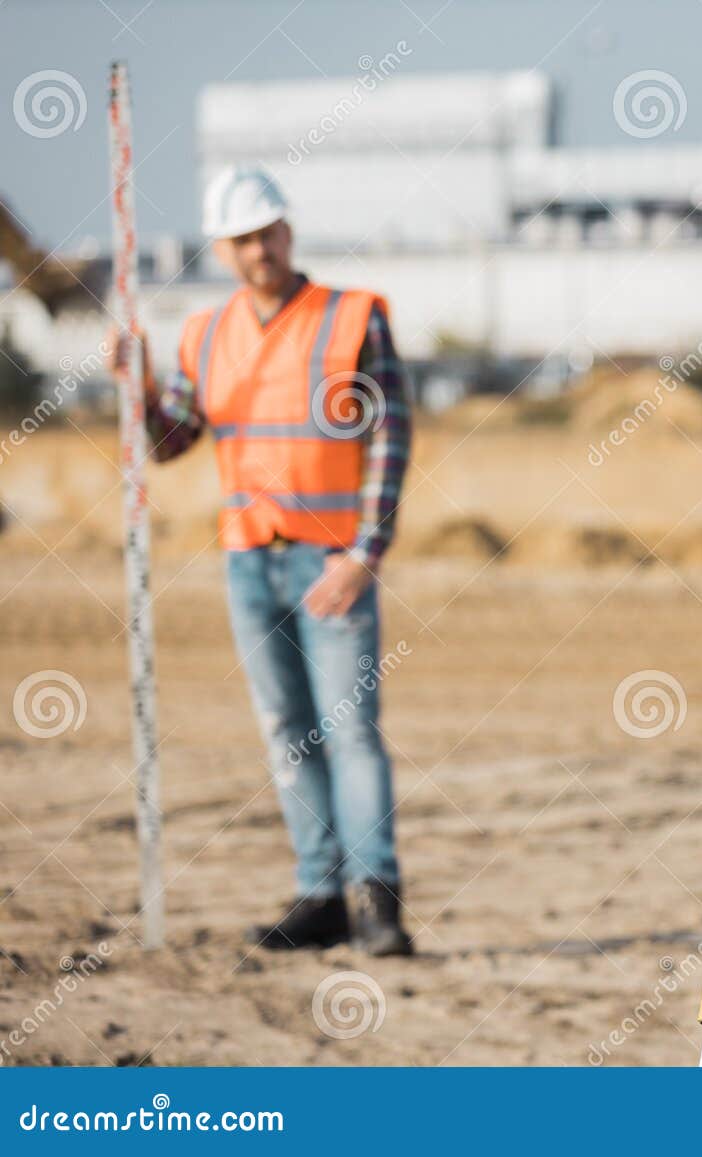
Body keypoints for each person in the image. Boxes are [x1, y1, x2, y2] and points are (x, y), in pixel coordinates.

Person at [111, 165, 414, 955]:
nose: (258, 250)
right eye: (242, 239)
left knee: (351, 731)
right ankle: (321, 895)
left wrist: (363, 552)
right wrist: (138, 389)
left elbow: (392, 436)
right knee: (289, 731)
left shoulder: (352, 316)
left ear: (288, 231)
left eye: (267, 233)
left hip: (331, 560)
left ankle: (377, 901)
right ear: (224, 247)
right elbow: (174, 440)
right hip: (249, 560)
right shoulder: (206, 334)